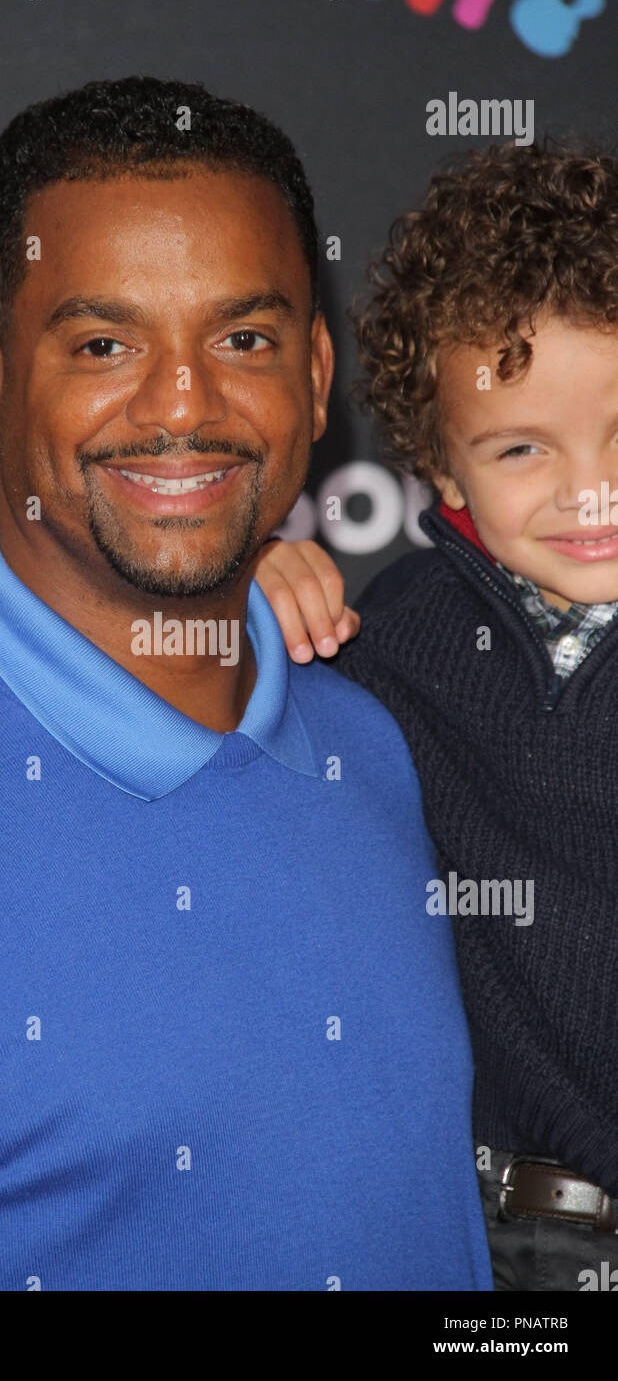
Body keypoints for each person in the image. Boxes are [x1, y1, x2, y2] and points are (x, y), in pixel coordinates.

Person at [0, 77, 491, 1292]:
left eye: (241, 339)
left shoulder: (376, 741)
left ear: (315, 374)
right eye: (103, 344)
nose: (183, 405)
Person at [256, 141, 618, 1292]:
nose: (587, 488)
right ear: (439, 469)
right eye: (523, 448)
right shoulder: (385, 647)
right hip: (518, 1244)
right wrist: (237, 599)